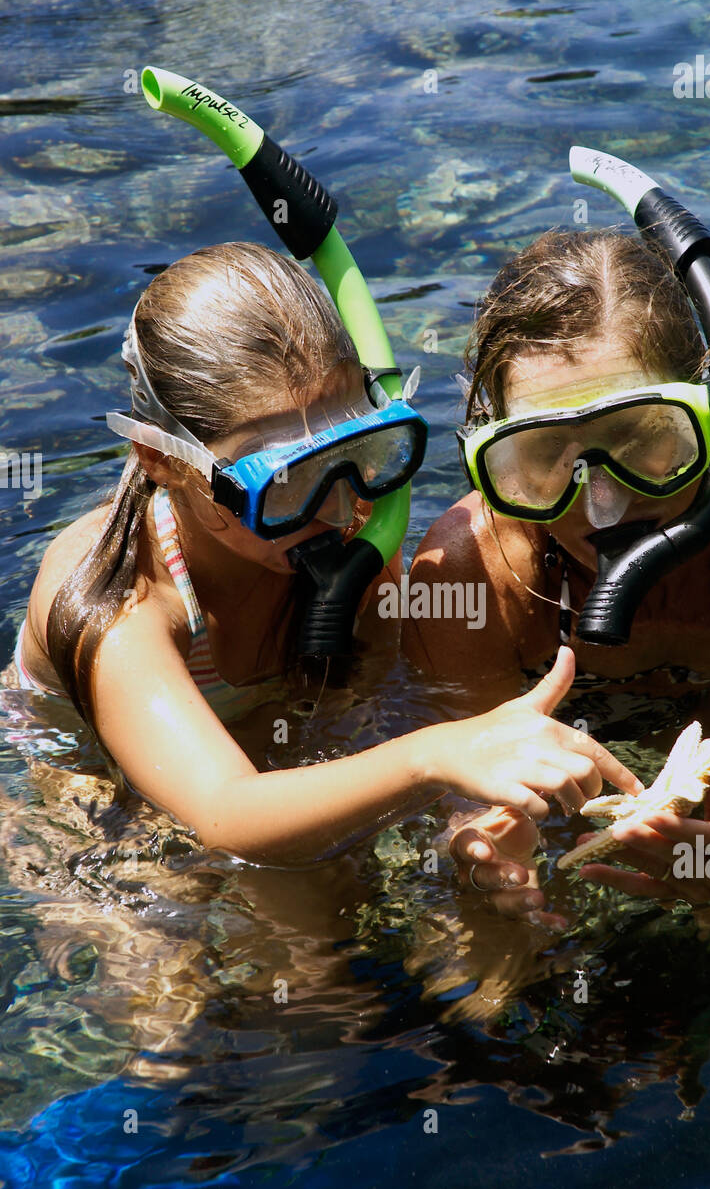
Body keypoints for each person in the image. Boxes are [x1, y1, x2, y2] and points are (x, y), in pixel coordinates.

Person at [8, 240, 640, 865]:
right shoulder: (119, 601)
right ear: (161, 458)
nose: (339, 508)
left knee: (335, 921)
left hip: (256, 759)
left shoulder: (350, 531)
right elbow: (227, 813)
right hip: (86, 788)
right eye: (284, 479)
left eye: (356, 455)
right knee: (166, 941)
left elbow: (349, 720)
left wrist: (467, 818)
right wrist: (436, 753)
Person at [404, 228, 710, 923]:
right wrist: (485, 846)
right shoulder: (471, 576)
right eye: (543, 456)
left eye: (644, 440)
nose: (603, 502)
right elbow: (465, 778)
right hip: (593, 789)